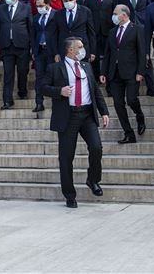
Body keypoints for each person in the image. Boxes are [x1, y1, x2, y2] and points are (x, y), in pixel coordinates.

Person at [43, 36, 109, 208]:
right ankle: (69, 195)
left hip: (87, 114)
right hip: (68, 116)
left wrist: (104, 112)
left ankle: (93, 179)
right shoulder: (55, 68)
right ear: (70, 50)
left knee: (96, 148)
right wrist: (59, 91)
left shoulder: (86, 66)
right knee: (66, 158)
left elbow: (95, 90)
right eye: (80, 47)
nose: (83, 49)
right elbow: (41, 87)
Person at [100, 5, 147, 143]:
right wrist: (103, 72)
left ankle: (139, 116)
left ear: (124, 15)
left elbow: (141, 52)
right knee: (118, 104)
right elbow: (108, 53)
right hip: (114, 74)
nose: (113, 16)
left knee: (132, 99)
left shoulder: (137, 29)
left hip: (131, 72)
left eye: (115, 13)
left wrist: (140, 72)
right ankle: (128, 133)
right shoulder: (112, 31)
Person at [0, 0, 33, 109]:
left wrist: (31, 45)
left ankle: (22, 91)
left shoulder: (26, 8)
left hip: (22, 45)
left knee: (22, 71)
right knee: (8, 74)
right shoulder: (0, 9)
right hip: (6, 46)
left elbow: (30, 27)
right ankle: (7, 100)